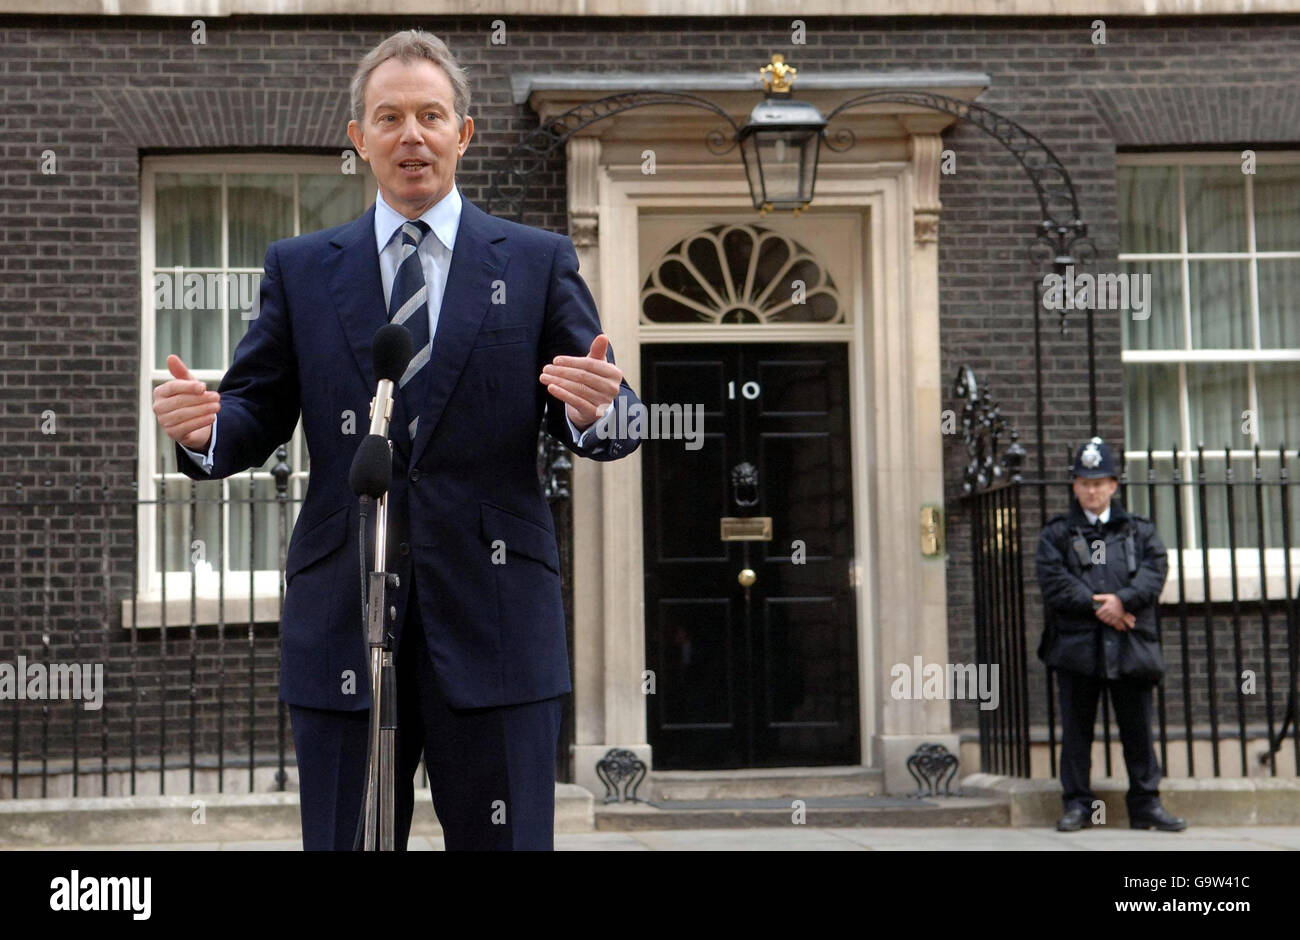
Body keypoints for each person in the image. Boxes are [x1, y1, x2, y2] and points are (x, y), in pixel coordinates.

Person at [151, 29, 642, 850]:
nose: (410, 135)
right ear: (359, 139)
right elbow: (253, 414)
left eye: (430, 116)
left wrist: (600, 413)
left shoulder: (535, 261)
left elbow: (594, 403)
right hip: (344, 617)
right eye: (389, 118)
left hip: (495, 624)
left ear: (463, 133)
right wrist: (206, 431)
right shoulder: (302, 269)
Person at [1035, 437, 1187, 832]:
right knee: (1076, 731)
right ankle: (1077, 806)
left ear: (1114, 485)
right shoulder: (1056, 534)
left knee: (1137, 728)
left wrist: (1124, 600)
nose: (1092, 490)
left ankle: (1146, 804)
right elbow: (1054, 582)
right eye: (1085, 482)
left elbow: (1155, 572)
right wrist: (1102, 607)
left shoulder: (1139, 532)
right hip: (1077, 647)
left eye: (1100, 482)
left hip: (1129, 645)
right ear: (1074, 486)